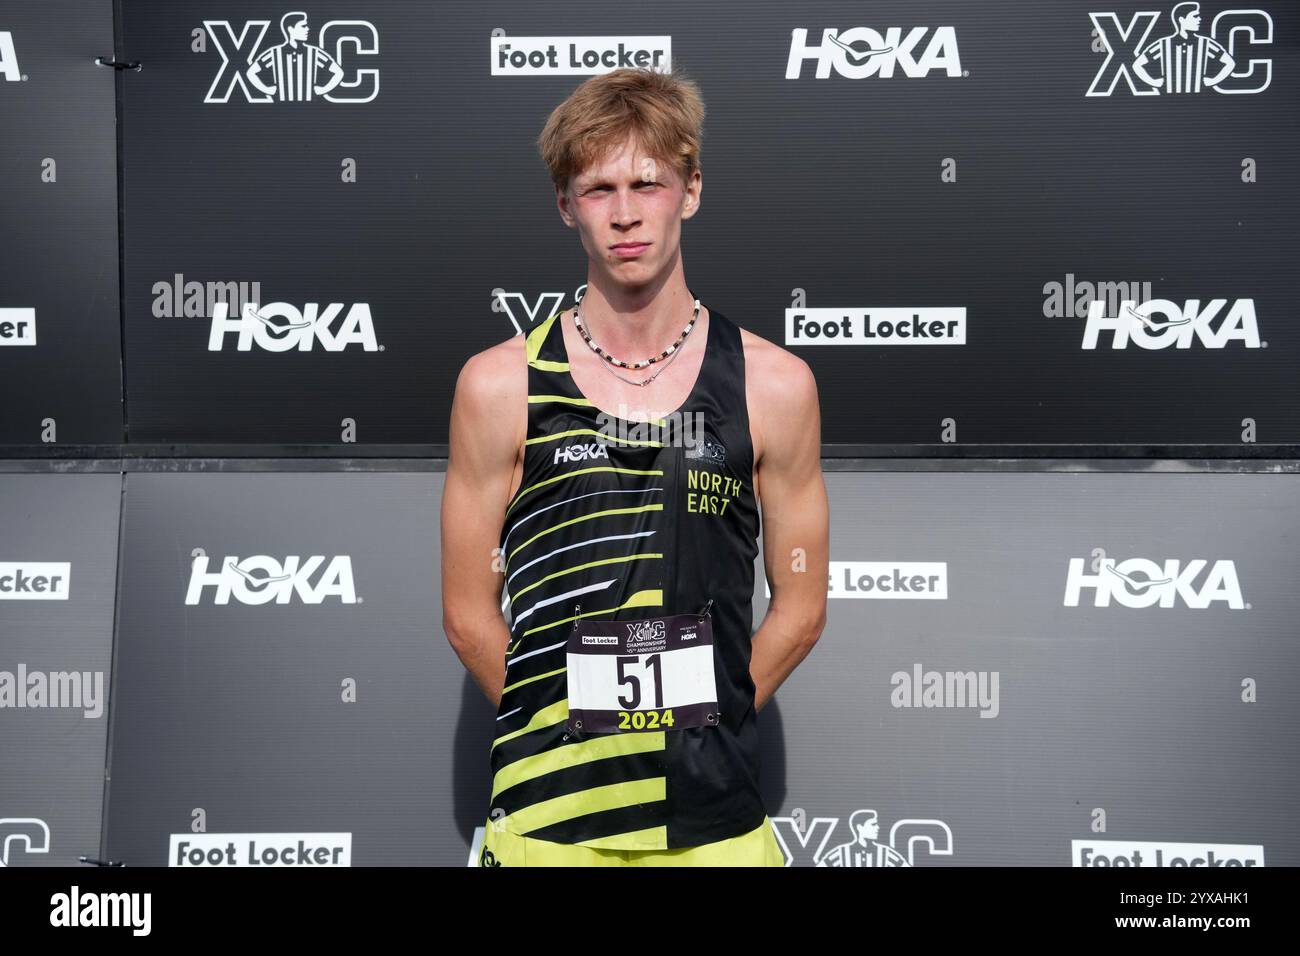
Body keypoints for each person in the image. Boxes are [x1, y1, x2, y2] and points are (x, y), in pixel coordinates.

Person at [441, 66, 828, 866]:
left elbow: (801, 606)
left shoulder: (775, 385)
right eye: (597, 188)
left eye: (647, 184)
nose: (624, 214)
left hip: (714, 821)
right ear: (564, 206)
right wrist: (566, 726)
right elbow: (468, 615)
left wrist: (703, 716)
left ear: (690, 190)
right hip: (550, 819)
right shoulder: (498, 385)